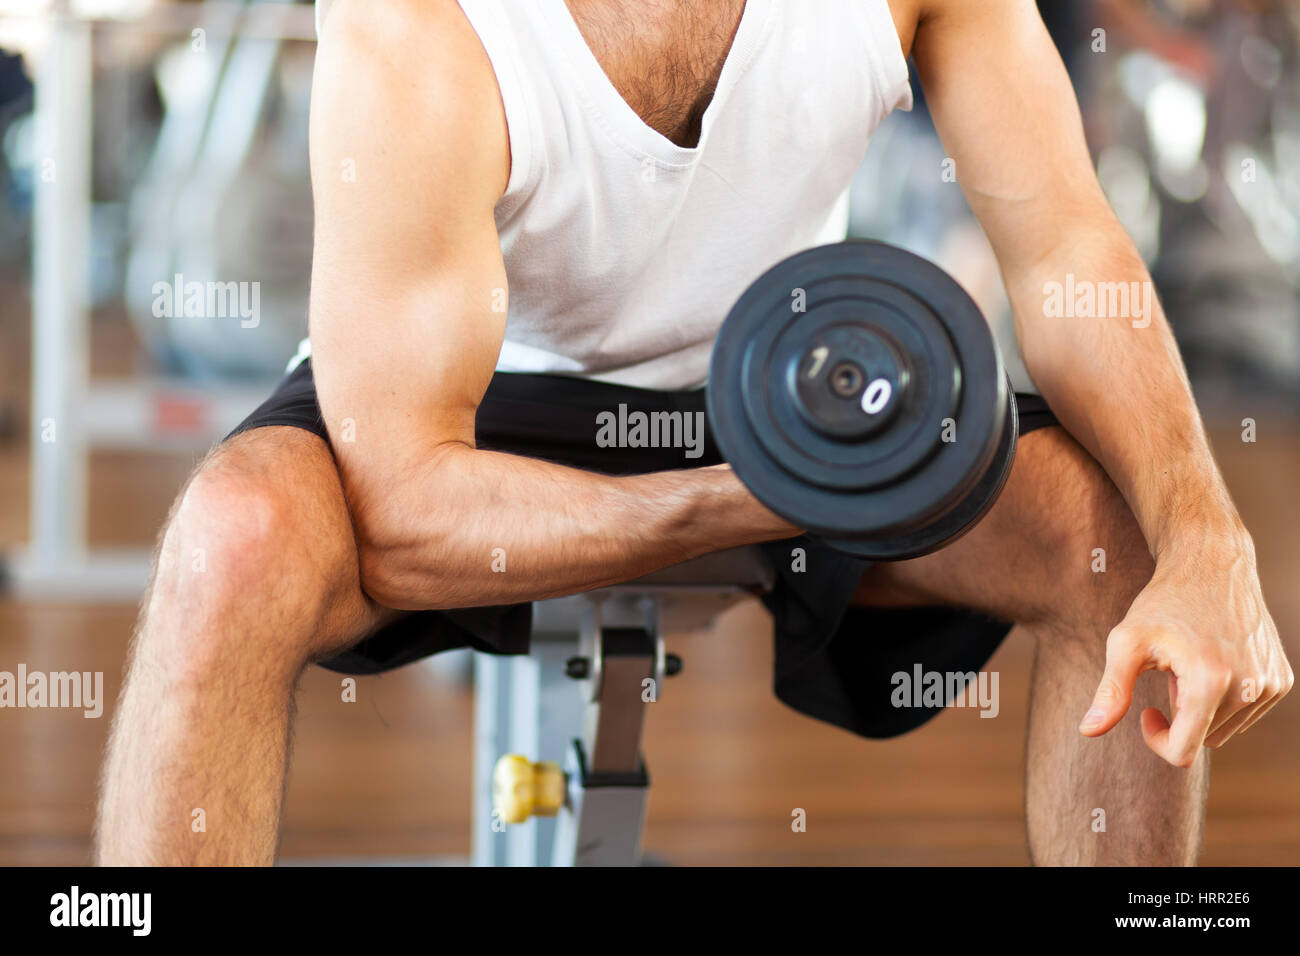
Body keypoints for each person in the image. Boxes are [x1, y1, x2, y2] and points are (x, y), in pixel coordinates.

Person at [96, 0, 1291, 866]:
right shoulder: (424, 24)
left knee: (1113, 541)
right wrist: (750, 495)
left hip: (772, 381)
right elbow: (407, 506)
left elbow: (1069, 253)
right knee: (232, 537)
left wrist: (1205, 535)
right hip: (470, 414)